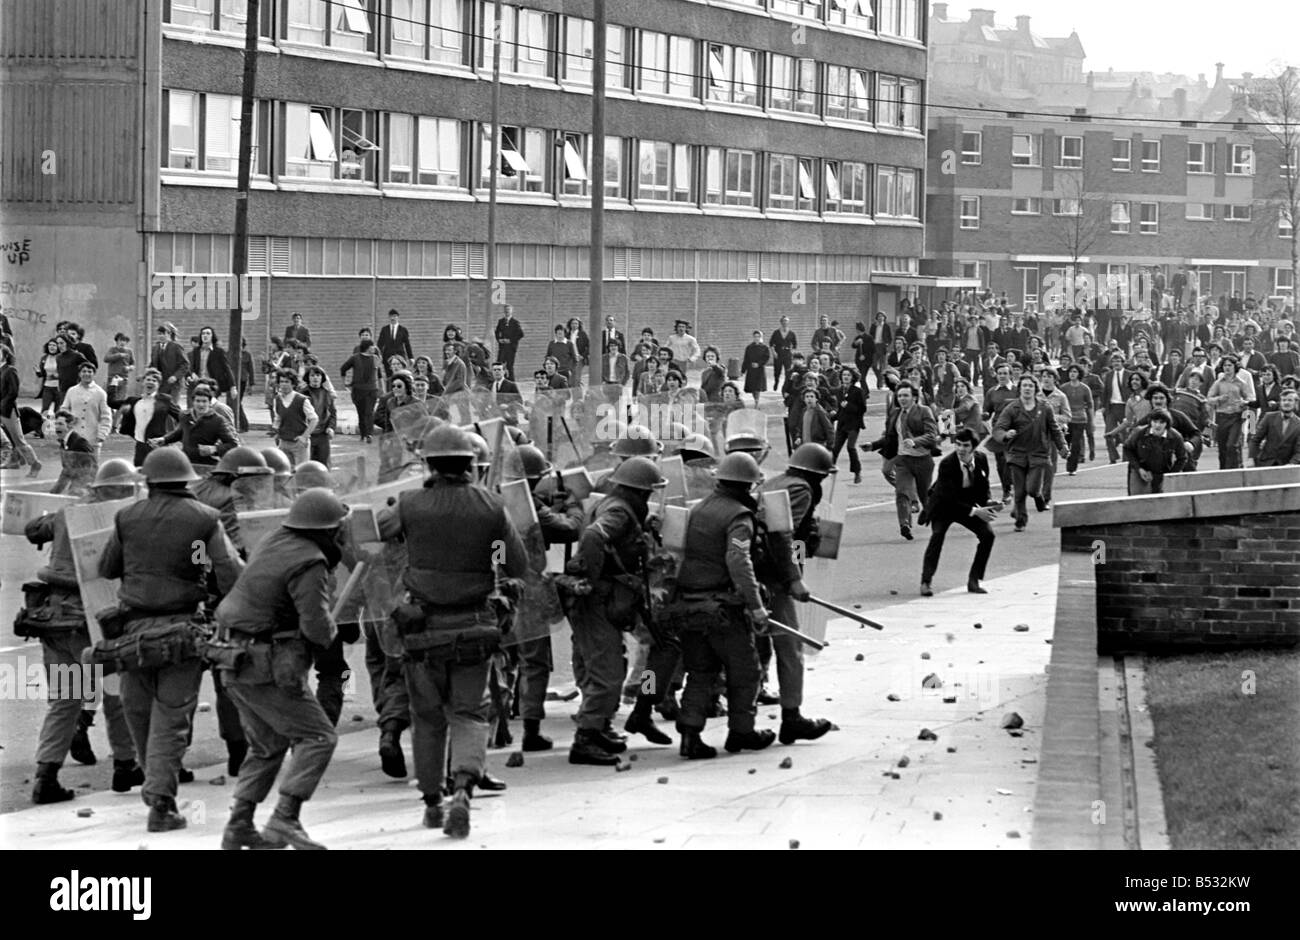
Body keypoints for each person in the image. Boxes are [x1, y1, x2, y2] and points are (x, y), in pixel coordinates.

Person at [377, 425, 528, 838]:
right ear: (470, 465)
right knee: (469, 713)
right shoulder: (491, 506)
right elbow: (513, 564)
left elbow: (374, 531)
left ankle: (432, 802)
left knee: (427, 717)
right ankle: (463, 787)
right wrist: (490, 551)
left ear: (429, 464)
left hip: (423, 629)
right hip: (474, 626)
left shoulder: (411, 504)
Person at [97, 448, 243, 832]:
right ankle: (161, 802)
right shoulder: (204, 518)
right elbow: (226, 570)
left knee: (138, 712)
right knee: (172, 717)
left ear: (149, 481)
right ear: (186, 480)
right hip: (182, 630)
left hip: (133, 632)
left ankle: (156, 790)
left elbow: (106, 567)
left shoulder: (127, 517)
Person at [213, 488, 348, 850]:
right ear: (328, 529)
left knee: (267, 745)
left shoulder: (274, 541)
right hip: (267, 664)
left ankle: (239, 824)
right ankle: (285, 818)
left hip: (232, 658)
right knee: (319, 737)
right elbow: (316, 626)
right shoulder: (310, 561)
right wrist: (332, 631)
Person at [24, 460, 145, 804]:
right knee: (116, 691)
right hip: (94, 617)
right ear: (123, 490)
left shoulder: (70, 513)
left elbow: (33, 528)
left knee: (66, 699)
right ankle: (125, 764)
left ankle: (46, 776)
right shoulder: (122, 518)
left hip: (55, 617)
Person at [672, 452, 773, 759]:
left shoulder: (700, 508)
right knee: (746, 671)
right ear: (748, 484)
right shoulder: (739, 516)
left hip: (689, 605)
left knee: (700, 672)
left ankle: (690, 735)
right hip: (722, 609)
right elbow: (738, 560)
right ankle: (741, 731)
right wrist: (757, 606)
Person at [564, 456, 665, 766]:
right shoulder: (619, 511)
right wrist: (593, 580)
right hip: (601, 600)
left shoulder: (611, 505)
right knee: (609, 673)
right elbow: (594, 536)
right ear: (641, 491)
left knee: (636, 657)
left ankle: (614, 720)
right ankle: (587, 736)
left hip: (613, 600)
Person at [502, 445, 584, 752]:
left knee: (502, 660)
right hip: (528, 588)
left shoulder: (495, 498)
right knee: (534, 662)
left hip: (497, 588)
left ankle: (500, 721)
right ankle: (530, 728)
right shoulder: (530, 506)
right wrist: (572, 505)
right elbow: (569, 529)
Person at [757, 444, 835, 744]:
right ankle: (792, 716)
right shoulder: (802, 489)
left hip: (755, 574)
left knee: (754, 647)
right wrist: (794, 578)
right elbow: (782, 535)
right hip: (774, 578)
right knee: (790, 647)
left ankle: (742, 722)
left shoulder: (775, 482)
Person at [920, 429, 998, 596]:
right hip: (944, 505)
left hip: (967, 504)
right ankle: (926, 581)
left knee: (988, 535)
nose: (961, 449)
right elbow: (948, 499)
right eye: (958, 444)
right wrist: (976, 511)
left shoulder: (981, 459)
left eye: (966, 445)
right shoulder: (947, 464)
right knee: (937, 536)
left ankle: (974, 580)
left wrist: (989, 502)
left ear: (974, 447)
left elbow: (983, 486)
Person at [861, 381, 939, 541]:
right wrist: (873, 445)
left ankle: (935, 521)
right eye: (900, 396)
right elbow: (891, 438)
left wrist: (915, 441)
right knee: (901, 492)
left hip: (923, 460)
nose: (902, 398)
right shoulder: (895, 414)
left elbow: (932, 435)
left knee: (924, 495)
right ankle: (905, 524)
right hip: (903, 460)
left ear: (914, 397)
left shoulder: (924, 411)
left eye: (906, 395)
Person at [993, 375, 1069, 533]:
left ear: (1035, 389)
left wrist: (1062, 447)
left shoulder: (1045, 407)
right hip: (1017, 454)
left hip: (1038, 454)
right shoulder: (1012, 408)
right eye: (1024, 385)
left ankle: (1038, 496)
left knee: (1032, 489)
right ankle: (1020, 520)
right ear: (1020, 388)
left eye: (1030, 386)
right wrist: (1006, 434)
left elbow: (1054, 429)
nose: (1027, 388)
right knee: (1019, 491)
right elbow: (999, 428)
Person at [152, 383, 238, 470]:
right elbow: (180, 432)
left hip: (206, 464)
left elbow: (233, 444)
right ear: (193, 402)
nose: (201, 405)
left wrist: (214, 449)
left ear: (209, 403)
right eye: (198, 401)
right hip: (185, 462)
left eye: (204, 401)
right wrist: (164, 439)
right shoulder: (184, 415)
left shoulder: (218, 420)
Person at [117, 368, 179, 467]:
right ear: (143, 382)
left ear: (158, 385)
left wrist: (170, 437)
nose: (150, 382)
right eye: (148, 379)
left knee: (157, 472)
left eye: (154, 380)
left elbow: (181, 417)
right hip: (140, 446)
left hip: (157, 445)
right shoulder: (135, 402)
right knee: (140, 471)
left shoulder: (164, 400)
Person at [1123, 410, 1187, 495]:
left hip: (1163, 472)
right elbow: (1127, 448)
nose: (1157, 425)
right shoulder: (1139, 432)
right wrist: (1139, 468)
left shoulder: (1176, 437)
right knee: (1138, 499)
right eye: (1155, 422)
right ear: (1150, 422)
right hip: (1141, 470)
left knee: (1162, 499)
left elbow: (1182, 458)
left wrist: (1170, 476)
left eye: (1161, 422)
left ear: (1167, 423)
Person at [1, 344, 41, 475]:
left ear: (5, 355)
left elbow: (13, 392)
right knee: (9, 437)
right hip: (2, 409)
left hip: (8, 410)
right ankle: (14, 461)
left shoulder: (10, 370)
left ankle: (34, 463)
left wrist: (3, 405)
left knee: (18, 439)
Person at [1206, 357, 1251, 469]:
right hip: (1222, 416)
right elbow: (1209, 399)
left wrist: (1244, 402)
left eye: (1230, 365)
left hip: (1236, 416)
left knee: (1232, 445)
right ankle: (1224, 470)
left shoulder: (1241, 383)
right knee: (1222, 447)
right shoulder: (1218, 383)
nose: (1227, 368)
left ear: (1235, 367)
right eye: (1225, 365)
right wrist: (1219, 399)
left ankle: (1236, 469)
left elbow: (1250, 398)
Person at [270, 369, 318, 469]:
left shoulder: (302, 400)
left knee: (301, 472)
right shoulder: (277, 399)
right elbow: (278, 417)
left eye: (287, 382)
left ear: (293, 384)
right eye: (281, 381)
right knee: (285, 472)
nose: (284, 384)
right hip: (284, 442)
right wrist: (276, 431)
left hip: (298, 443)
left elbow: (314, 419)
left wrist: (304, 436)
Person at [61, 361, 111, 456]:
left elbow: (106, 416)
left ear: (94, 374)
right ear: (79, 374)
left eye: (89, 371)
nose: (86, 374)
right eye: (84, 371)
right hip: (74, 437)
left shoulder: (100, 393)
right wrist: (69, 419)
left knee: (91, 463)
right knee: (73, 463)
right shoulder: (71, 391)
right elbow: (64, 410)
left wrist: (102, 434)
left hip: (92, 438)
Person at [341, 337, 382, 443]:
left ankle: (369, 434)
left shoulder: (375, 358)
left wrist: (381, 388)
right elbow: (343, 368)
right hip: (358, 390)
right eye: (372, 346)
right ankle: (363, 434)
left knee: (369, 411)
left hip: (372, 390)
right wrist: (345, 382)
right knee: (361, 412)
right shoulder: (355, 358)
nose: (374, 348)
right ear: (367, 347)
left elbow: (379, 374)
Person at [831, 366, 867, 484]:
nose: (846, 377)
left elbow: (862, 409)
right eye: (844, 375)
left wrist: (849, 406)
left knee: (850, 447)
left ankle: (857, 472)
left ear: (852, 378)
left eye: (848, 375)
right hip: (842, 424)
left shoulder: (858, 391)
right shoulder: (839, 391)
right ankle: (829, 470)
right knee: (835, 448)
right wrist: (832, 417)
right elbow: (840, 410)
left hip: (853, 424)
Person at [50, 409, 97, 496]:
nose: (57, 427)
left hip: (84, 484)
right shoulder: (64, 442)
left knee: (72, 495)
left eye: (60, 424)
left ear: (70, 425)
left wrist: (79, 488)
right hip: (77, 482)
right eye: (55, 424)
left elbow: (92, 468)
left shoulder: (79, 442)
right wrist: (53, 493)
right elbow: (66, 471)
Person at [1249, 388, 1300, 466]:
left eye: (1290, 400)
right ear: (1280, 403)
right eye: (1284, 400)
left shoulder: (1298, 423)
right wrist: (1251, 459)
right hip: (1265, 463)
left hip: (1286, 465)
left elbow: (1299, 450)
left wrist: (1291, 464)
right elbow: (1255, 440)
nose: (1286, 403)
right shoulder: (1269, 417)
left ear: (1296, 403)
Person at [187, 326, 235, 405]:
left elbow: (227, 369)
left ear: (212, 336)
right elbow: (191, 367)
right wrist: (192, 374)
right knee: (198, 405)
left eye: (208, 333)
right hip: (198, 384)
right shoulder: (196, 351)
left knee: (210, 405)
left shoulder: (219, 352)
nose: (205, 335)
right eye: (203, 334)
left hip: (212, 385)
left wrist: (233, 386)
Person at [1061, 365, 1095, 475]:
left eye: (1075, 372)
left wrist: (1092, 421)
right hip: (1067, 419)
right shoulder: (1064, 387)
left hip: (1080, 419)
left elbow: (1090, 405)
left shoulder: (1085, 388)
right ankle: (1068, 458)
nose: (1072, 374)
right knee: (1067, 442)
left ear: (1079, 374)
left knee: (1076, 444)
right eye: (1071, 371)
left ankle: (1072, 468)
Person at [301, 366, 336, 467]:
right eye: (312, 375)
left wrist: (331, 427)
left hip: (323, 434)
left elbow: (333, 414)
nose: (315, 378)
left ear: (322, 378)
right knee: (307, 466)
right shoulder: (302, 394)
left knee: (323, 466)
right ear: (308, 378)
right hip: (307, 434)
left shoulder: (327, 394)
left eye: (318, 375)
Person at [149, 323, 189, 403]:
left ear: (169, 334)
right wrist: (146, 374)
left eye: (163, 334)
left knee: (172, 405)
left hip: (174, 384)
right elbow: (153, 364)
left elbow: (185, 364)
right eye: (159, 334)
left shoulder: (176, 347)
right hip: (161, 384)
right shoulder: (155, 348)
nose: (161, 336)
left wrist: (175, 376)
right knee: (161, 405)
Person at [103, 333, 134, 430]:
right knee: (111, 402)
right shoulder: (112, 350)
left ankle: (115, 426)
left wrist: (129, 368)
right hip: (112, 379)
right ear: (117, 341)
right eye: (121, 340)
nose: (122, 342)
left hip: (123, 379)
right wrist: (119, 355)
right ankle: (109, 423)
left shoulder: (129, 351)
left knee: (120, 403)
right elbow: (106, 359)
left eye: (125, 341)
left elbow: (132, 364)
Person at [740, 330, 769, 405]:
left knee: (757, 387)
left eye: (758, 336)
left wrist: (759, 364)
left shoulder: (764, 348)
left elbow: (766, 358)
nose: (757, 338)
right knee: (752, 388)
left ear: (761, 337)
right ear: (753, 337)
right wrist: (743, 370)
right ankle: (755, 399)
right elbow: (746, 359)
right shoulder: (749, 347)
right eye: (755, 337)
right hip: (751, 370)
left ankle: (757, 402)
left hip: (759, 370)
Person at [769, 316, 797, 388]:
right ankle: (776, 381)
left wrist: (792, 352)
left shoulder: (791, 333)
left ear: (788, 322)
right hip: (778, 353)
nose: (785, 323)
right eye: (783, 321)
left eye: (786, 321)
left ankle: (786, 385)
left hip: (787, 354)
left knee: (788, 371)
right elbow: (771, 343)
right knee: (777, 370)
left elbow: (795, 344)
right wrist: (774, 352)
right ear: (781, 322)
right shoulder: (776, 332)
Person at [565, 316, 589, 390]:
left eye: (576, 323)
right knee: (570, 379)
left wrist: (583, 355)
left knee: (576, 378)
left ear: (579, 325)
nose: (574, 325)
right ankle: (574, 392)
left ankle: (578, 395)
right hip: (569, 359)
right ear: (570, 325)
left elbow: (589, 346)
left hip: (579, 359)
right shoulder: (567, 335)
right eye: (573, 323)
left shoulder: (582, 334)